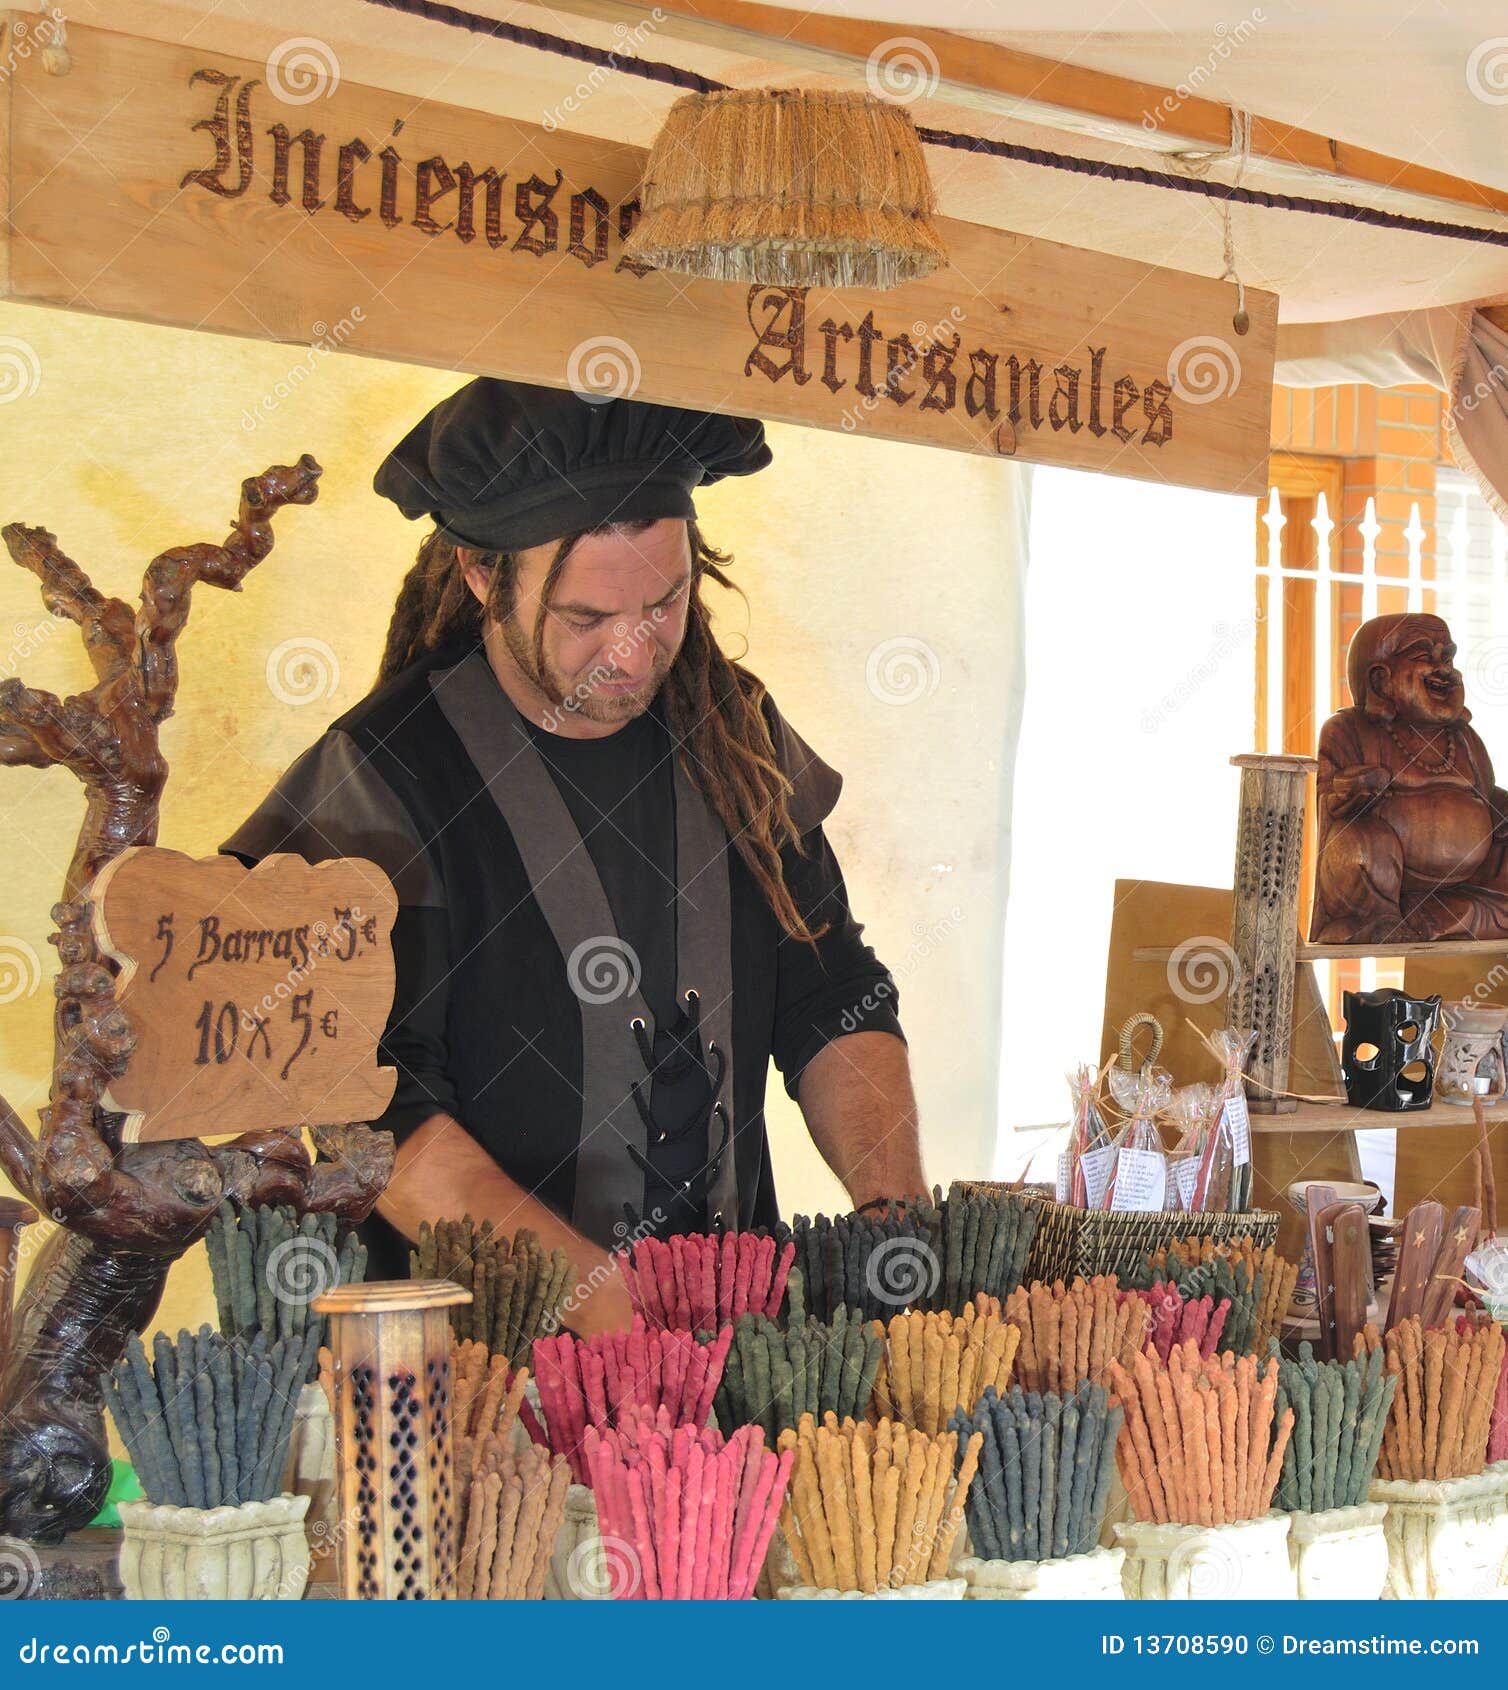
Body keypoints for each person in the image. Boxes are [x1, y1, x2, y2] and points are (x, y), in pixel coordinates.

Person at [222, 378, 925, 1332]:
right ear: (481, 573)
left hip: (736, 1345)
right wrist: (613, 1314)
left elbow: (829, 987)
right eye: (589, 618)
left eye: (665, 605)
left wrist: (894, 1223)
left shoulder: (734, 728)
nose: (633, 654)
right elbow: (373, 1112)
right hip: (478, 1376)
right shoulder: (382, 778)